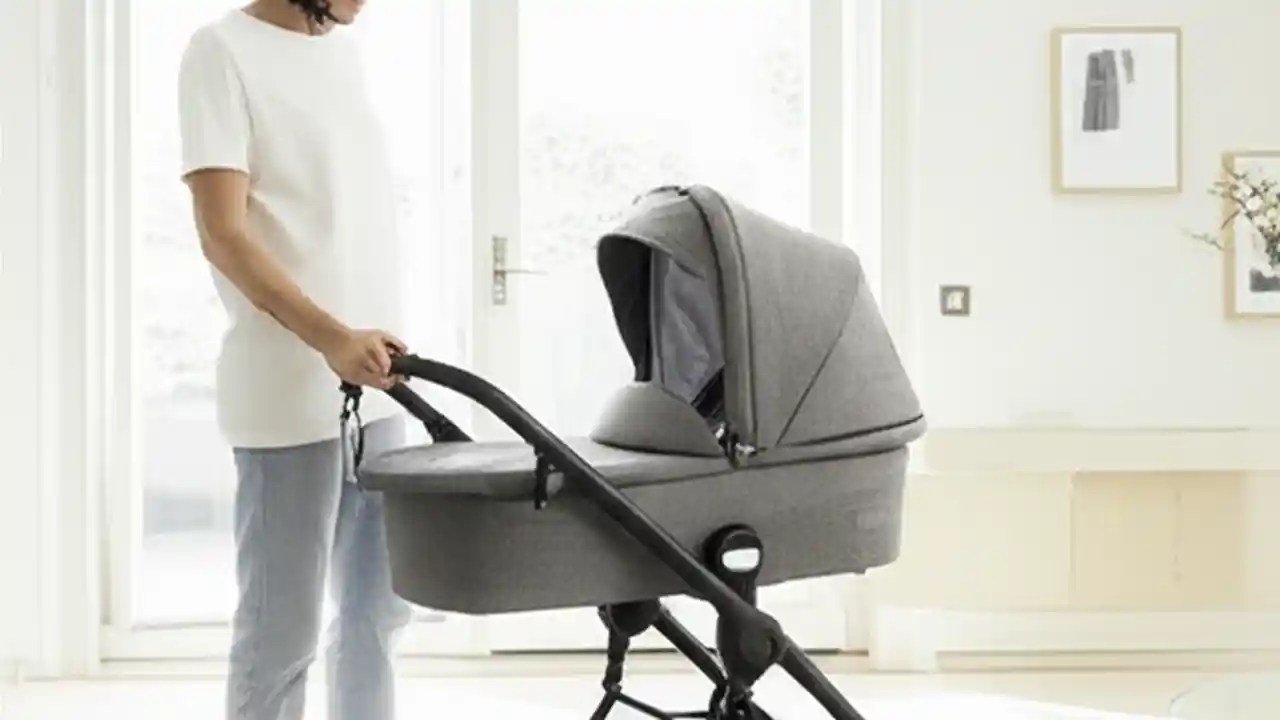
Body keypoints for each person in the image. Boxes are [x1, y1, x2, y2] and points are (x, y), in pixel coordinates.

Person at [177, 1, 413, 718]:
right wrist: (330, 337)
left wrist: (369, 342)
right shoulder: (219, 52)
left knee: (376, 622)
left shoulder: (345, 52)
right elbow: (225, 235)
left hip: (379, 389)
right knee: (280, 637)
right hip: (286, 393)